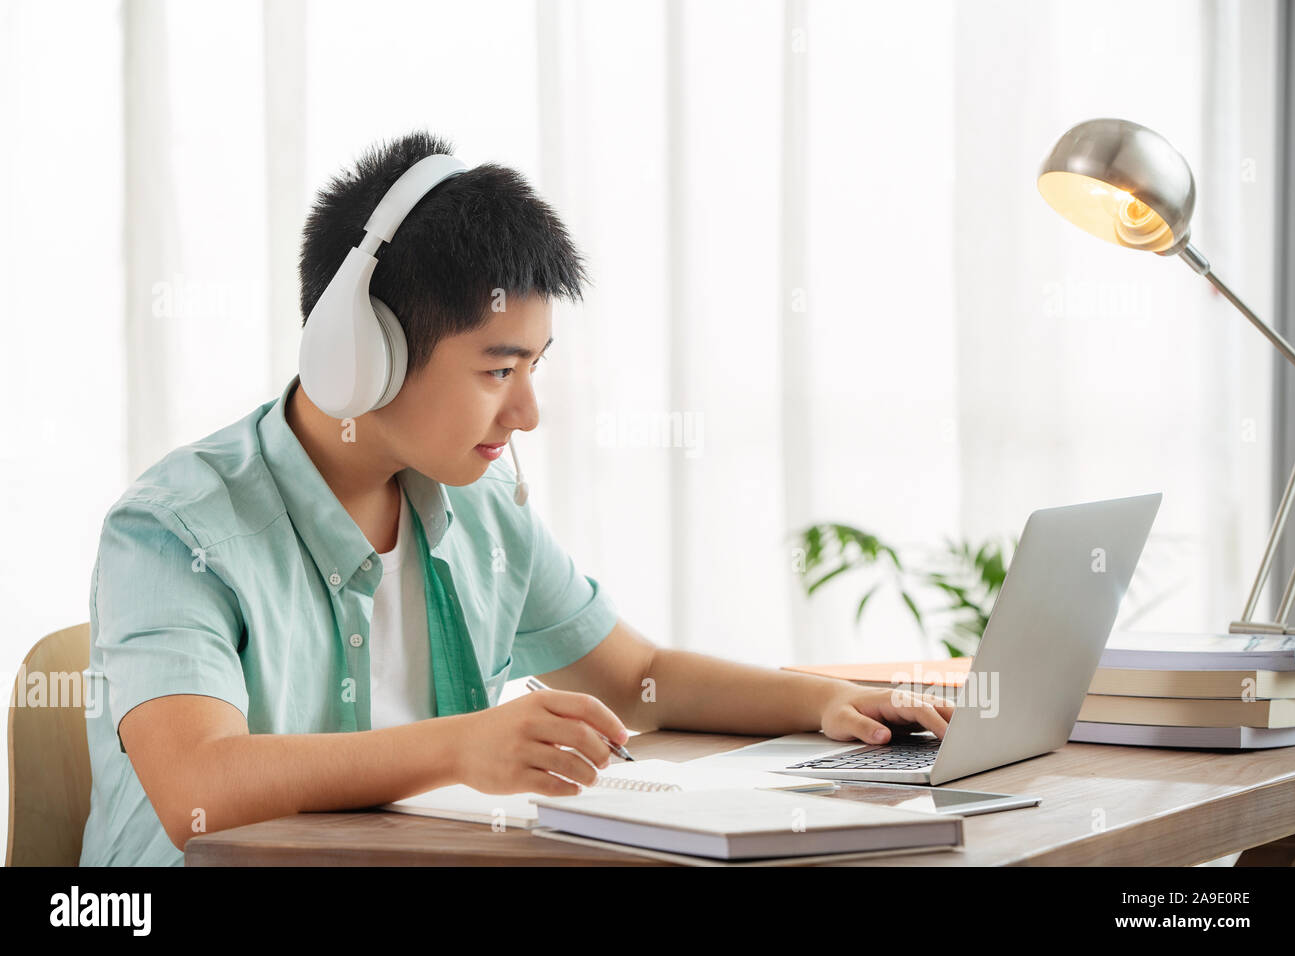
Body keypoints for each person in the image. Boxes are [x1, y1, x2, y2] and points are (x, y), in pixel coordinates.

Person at [80, 130, 951, 866]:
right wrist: (465, 745)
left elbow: (638, 679)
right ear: (359, 354)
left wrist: (820, 703)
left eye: (535, 366)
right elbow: (199, 783)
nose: (527, 411)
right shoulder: (174, 529)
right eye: (499, 370)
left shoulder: (478, 500)